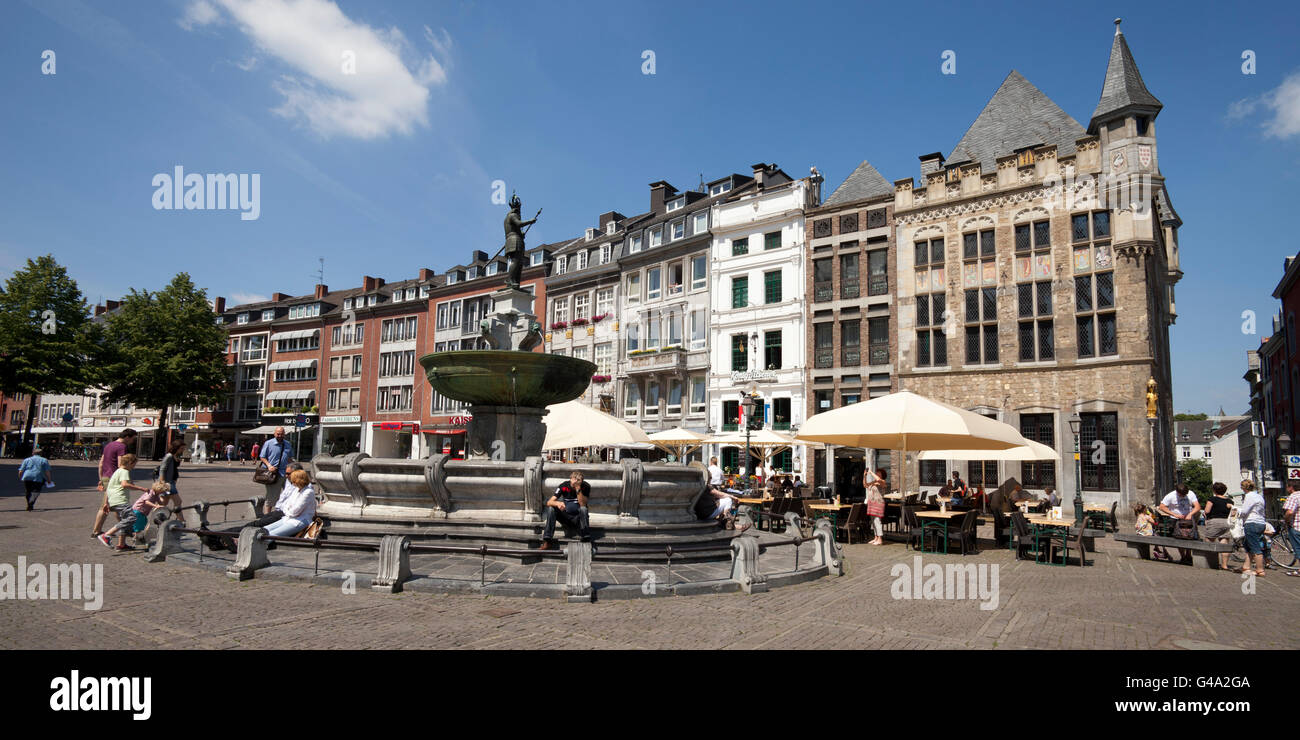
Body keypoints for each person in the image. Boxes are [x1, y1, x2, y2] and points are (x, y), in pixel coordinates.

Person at [98, 454, 151, 550]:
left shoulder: (117, 472)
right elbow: (124, 484)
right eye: (134, 465)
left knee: (125, 521)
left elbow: (110, 488)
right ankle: (107, 535)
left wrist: (106, 503)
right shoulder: (124, 471)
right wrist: (141, 488)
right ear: (130, 463)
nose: (133, 468)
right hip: (120, 500)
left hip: (113, 500)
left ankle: (121, 545)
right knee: (132, 518)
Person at [93, 428, 137, 538]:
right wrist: (126, 479)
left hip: (105, 476)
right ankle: (96, 531)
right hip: (115, 478)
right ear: (127, 437)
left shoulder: (109, 445)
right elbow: (121, 464)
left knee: (117, 506)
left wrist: (101, 478)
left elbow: (101, 463)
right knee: (107, 506)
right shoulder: (122, 447)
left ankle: (126, 529)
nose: (132, 441)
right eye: (133, 439)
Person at [539, 470, 590, 549]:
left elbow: (582, 504)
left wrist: (578, 489)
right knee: (552, 509)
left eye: (579, 480)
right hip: (565, 517)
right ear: (570, 479)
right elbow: (549, 502)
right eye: (574, 479)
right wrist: (558, 503)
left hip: (578, 519)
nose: (576, 482)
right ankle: (547, 540)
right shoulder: (563, 486)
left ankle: (586, 537)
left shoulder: (585, 486)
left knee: (583, 509)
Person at [263, 469, 318, 537]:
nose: (291, 482)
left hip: (300, 521)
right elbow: (286, 505)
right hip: (288, 518)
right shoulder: (296, 489)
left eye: (293, 480)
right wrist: (288, 511)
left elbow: (295, 511)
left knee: (271, 534)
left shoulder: (308, 492)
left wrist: (288, 511)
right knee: (264, 529)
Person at [258, 427, 294, 514]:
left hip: (286, 473)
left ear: (284, 434)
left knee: (289, 494)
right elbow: (262, 456)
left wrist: (294, 467)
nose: (280, 436)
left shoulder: (287, 444)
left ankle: (284, 514)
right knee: (271, 497)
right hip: (273, 473)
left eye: (281, 434)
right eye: (278, 434)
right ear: (274, 434)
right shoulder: (268, 443)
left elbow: (289, 458)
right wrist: (269, 465)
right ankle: (267, 516)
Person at [1201, 482, 1235, 570]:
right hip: (1226, 522)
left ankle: (1210, 562)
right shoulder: (1230, 501)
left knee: (1209, 540)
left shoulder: (1212, 499)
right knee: (1224, 544)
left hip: (1215, 521)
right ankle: (1224, 565)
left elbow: (1207, 511)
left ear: (1214, 490)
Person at [1239, 480, 1267, 577]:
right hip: (1261, 522)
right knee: (1249, 545)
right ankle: (1246, 566)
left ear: (1243, 487)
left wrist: (1236, 511)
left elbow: (1244, 511)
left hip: (1252, 522)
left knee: (1255, 547)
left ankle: (1260, 570)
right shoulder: (1259, 496)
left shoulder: (1249, 496)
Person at [18, 446, 53, 511]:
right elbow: (47, 471)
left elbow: (21, 470)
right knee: (36, 491)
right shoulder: (44, 460)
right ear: (41, 454)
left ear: (33, 453)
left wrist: (20, 477)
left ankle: (29, 503)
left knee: (28, 491)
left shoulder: (26, 460)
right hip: (38, 477)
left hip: (27, 476)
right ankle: (31, 502)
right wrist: (49, 480)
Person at [158, 439, 185, 514]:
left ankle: (155, 519)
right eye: (181, 448)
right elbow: (162, 469)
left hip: (172, 482)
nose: (182, 450)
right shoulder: (169, 456)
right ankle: (182, 522)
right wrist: (162, 482)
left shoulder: (174, 456)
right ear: (176, 447)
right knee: (178, 502)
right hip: (168, 483)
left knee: (163, 503)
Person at [864, 468, 887, 545]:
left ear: (882, 475)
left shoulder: (882, 482)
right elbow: (865, 485)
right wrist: (864, 476)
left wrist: (871, 472)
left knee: (877, 521)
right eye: (876, 473)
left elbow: (879, 480)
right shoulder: (874, 482)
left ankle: (880, 539)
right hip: (872, 503)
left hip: (878, 503)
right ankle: (876, 537)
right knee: (873, 521)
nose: (877, 474)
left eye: (878, 473)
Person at [1283, 480, 1300, 576]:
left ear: (1291, 487)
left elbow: (1290, 512)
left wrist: (1286, 520)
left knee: (1298, 548)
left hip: (1296, 526)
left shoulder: (1293, 496)